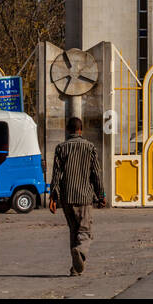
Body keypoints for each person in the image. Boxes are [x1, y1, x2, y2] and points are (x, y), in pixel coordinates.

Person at [48, 117, 105, 276]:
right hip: (84, 196)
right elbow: (96, 174)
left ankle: (75, 269)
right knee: (85, 231)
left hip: (67, 197)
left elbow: (56, 175)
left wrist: (53, 197)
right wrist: (101, 195)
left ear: (68, 130)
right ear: (81, 130)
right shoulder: (90, 147)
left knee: (74, 231)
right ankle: (79, 251)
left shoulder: (61, 148)